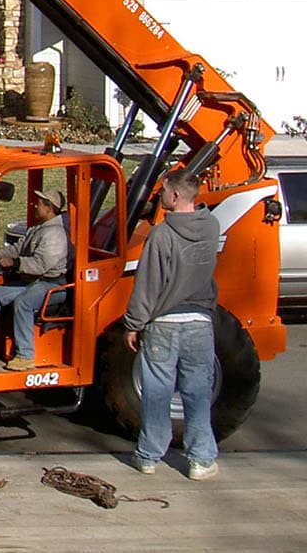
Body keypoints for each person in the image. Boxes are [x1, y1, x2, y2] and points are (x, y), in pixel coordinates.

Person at [123, 168, 220, 479]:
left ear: (175, 196)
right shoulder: (211, 227)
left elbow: (148, 284)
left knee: (156, 392)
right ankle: (201, 460)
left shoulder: (162, 235)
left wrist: (133, 323)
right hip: (199, 322)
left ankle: (149, 456)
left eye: (163, 192)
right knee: (197, 393)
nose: (159, 196)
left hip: (163, 322)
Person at [0, 187, 69, 371]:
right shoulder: (38, 228)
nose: (35, 205)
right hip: (33, 281)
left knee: (24, 302)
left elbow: (40, 265)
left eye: (39, 203)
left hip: (51, 285)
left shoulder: (55, 234)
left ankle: (25, 356)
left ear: (49, 208)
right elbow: (17, 249)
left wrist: (13, 262)